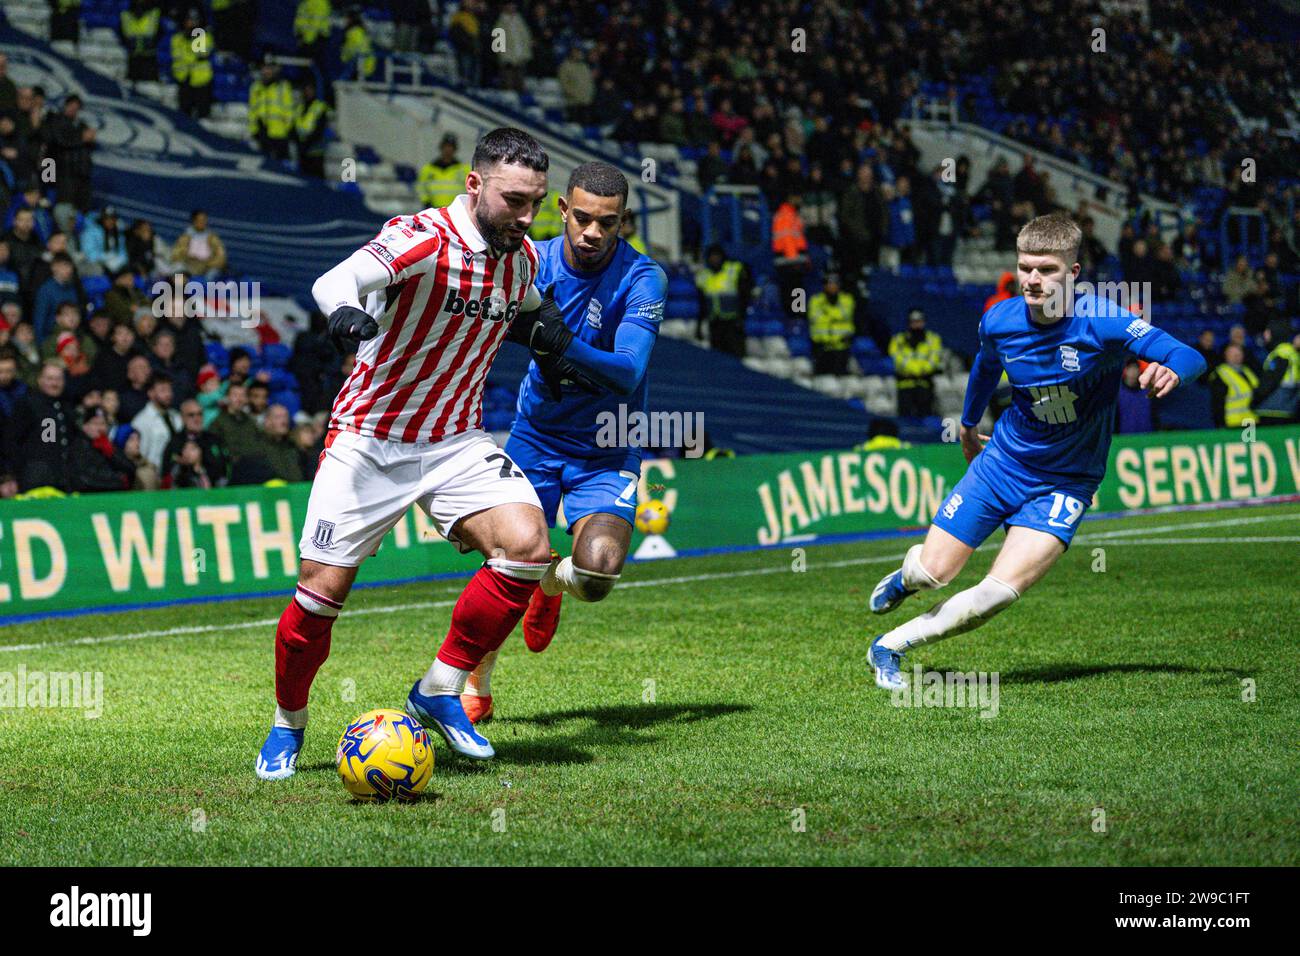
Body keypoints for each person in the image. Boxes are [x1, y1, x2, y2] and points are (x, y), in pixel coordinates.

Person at [255, 127, 580, 779]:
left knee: (528, 547)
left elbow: (526, 308)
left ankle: (439, 686)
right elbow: (335, 280)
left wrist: (543, 328)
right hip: (370, 440)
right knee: (318, 601)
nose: (526, 217)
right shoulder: (423, 236)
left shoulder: (521, 261)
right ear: (474, 183)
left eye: (536, 203)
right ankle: (287, 724)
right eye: (515, 200)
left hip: (456, 440)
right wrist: (346, 313)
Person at [866, 213, 1206, 691]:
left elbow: (1189, 355)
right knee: (933, 573)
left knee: (997, 595)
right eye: (1026, 267)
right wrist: (967, 425)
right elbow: (985, 369)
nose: (1032, 279)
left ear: (1073, 274)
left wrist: (1172, 371)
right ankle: (908, 575)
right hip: (1003, 464)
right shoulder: (1000, 320)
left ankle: (889, 646)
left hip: (1067, 481)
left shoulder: (1104, 320)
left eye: (1046, 269)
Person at [458, 161, 666, 724]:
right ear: (562, 211)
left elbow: (626, 372)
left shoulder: (643, 277)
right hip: (535, 435)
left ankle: (552, 583)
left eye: (608, 222)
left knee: (597, 575)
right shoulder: (532, 262)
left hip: (609, 444)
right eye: (582, 219)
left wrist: (559, 342)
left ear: (623, 221)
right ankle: (477, 683)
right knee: (502, 563)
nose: (593, 233)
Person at [4, 361, 72, 491]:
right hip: (35, 479)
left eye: (58, 379)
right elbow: (11, 441)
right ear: (40, 380)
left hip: (63, 477)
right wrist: (10, 474)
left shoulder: (65, 405)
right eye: (50, 379)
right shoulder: (27, 404)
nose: (54, 383)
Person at [694, 244, 750, 358]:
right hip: (715, 323)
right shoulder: (704, 276)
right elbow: (702, 303)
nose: (714, 260)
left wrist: (741, 318)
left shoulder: (733, 270)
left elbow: (744, 294)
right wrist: (699, 325)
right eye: (712, 257)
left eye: (717, 256)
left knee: (736, 357)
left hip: (733, 322)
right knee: (718, 358)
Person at [888, 308, 942, 417]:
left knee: (925, 416)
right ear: (909, 322)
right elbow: (897, 358)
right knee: (905, 418)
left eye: (919, 321)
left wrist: (920, 370)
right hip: (904, 384)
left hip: (925, 384)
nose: (917, 324)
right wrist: (915, 369)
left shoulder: (933, 339)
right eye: (914, 321)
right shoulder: (898, 340)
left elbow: (934, 359)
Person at [129, 370, 182, 469]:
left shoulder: (176, 417)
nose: (168, 394)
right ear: (150, 393)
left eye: (169, 390)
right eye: (163, 390)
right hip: (154, 477)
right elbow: (139, 455)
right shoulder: (142, 421)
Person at [170, 8, 214, 120]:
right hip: (183, 78)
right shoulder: (177, 38)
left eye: (195, 20)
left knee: (203, 116)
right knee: (184, 115)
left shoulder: (205, 36)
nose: (192, 23)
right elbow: (178, 54)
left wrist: (194, 39)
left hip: (201, 81)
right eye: (190, 20)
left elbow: (202, 53)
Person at [808, 273, 855, 375]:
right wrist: (835, 316)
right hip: (821, 347)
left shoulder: (847, 299)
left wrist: (826, 312)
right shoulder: (815, 300)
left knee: (840, 378)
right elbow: (815, 317)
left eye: (835, 284)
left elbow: (845, 314)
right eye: (829, 284)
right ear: (824, 286)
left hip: (841, 347)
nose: (832, 287)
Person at [248, 58, 294, 162]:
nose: (266, 71)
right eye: (264, 68)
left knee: (282, 166)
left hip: (280, 134)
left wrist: (287, 128)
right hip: (262, 134)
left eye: (269, 68)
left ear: (274, 70)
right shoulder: (255, 87)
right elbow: (252, 111)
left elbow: (289, 110)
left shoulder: (283, 87)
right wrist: (254, 130)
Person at [1254, 320, 1300, 424]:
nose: (1264, 334)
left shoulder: (1280, 354)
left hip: (1272, 409)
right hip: (1290, 407)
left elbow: (1270, 381)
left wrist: (1255, 399)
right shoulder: (1292, 353)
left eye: (1267, 331)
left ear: (1275, 333)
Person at [1209, 342, 1259, 429]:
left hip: (1251, 420)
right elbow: (1217, 403)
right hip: (1233, 423)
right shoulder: (1220, 374)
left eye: (1238, 354)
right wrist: (1220, 423)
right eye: (1233, 354)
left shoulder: (1247, 371)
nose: (1236, 357)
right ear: (1226, 355)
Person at [416, 135, 470, 211]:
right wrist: (426, 201)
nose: (448, 150)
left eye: (451, 147)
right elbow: (421, 187)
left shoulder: (464, 169)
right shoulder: (428, 169)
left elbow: (470, 188)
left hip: (456, 208)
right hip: (433, 207)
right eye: (446, 146)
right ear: (441, 148)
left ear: (455, 149)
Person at [170, 209, 227, 277]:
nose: (202, 222)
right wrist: (186, 258)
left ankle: (205, 286)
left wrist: (209, 264)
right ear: (194, 221)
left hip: (207, 266)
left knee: (213, 273)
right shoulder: (185, 237)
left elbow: (221, 256)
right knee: (177, 268)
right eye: (199, 220)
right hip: (188, 265)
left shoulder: (212, 238)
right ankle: (179, 287)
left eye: (204, 220)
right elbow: (175, 254)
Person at [119, 0, 162, 84]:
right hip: (132, 58)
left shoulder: (155, 13)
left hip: (150, 58)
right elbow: (121, 34)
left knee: (150, 90)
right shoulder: (125, 15)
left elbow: (161, 32)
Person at [293, 80, 329, 179]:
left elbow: (319, 129)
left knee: (316, 178)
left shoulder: (320, 107)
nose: (307, 92)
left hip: (315, 150)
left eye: (310, 89)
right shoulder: (299, 107)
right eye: (305, 89)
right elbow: (295, 126)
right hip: (302, 149)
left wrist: (307, 142)